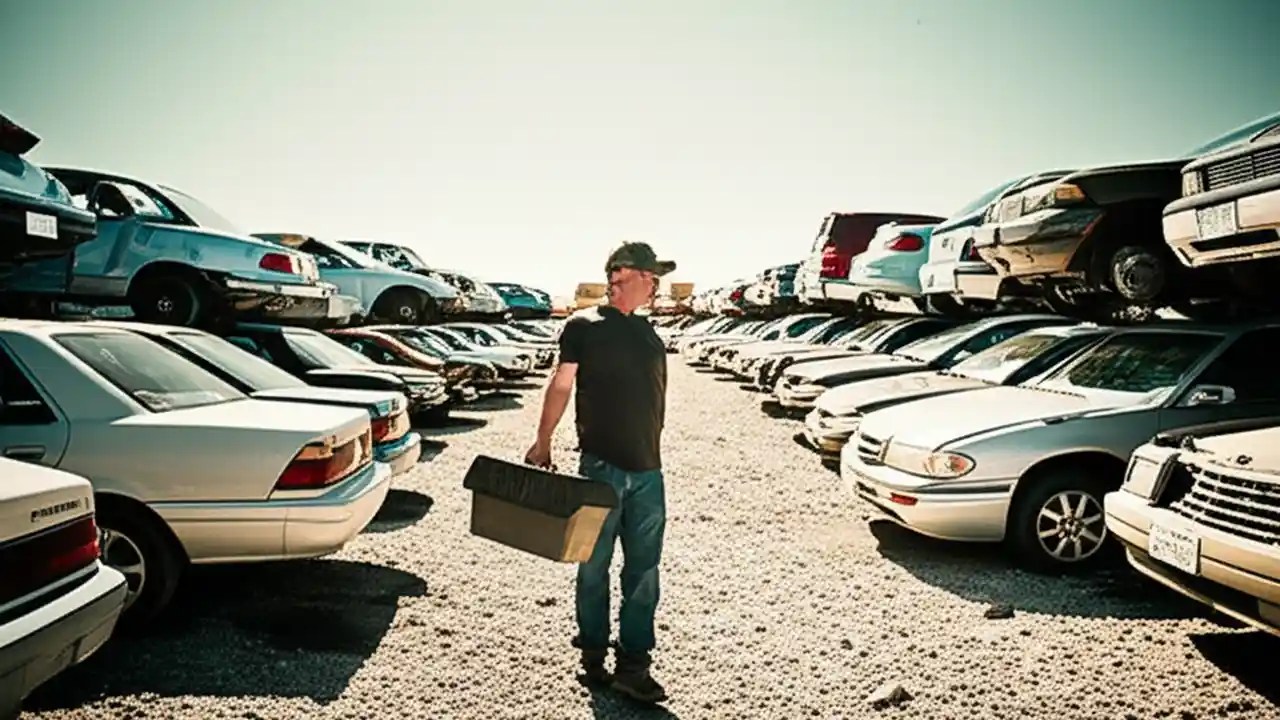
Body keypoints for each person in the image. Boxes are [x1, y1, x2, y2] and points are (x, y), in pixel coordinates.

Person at [525, 241, 674, 704]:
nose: (655, 287)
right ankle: (592, 654)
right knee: (593, 567)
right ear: (622, 277)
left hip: (650, 471)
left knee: (644, 572)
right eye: (651, 278)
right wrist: (543, 439)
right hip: (600, 468)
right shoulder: (583, 326)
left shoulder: (650, 334)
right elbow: (562, 384)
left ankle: (634, 664)